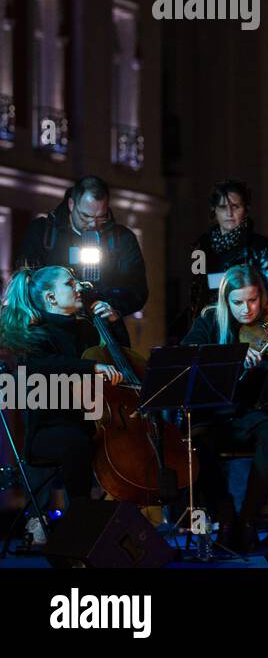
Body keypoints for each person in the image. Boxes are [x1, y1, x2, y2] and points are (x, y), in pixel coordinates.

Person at [181, 265, 268, 553]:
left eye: (253, 300)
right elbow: (187, 357)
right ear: (226, 301)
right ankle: (225, 518)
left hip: (254, 413)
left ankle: (248, 519)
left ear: (262, 297)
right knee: (195, 446)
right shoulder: (209, 321)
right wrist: (233, 357)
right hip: (214, 415)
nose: (247, 309)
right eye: (238, 302)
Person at [0, 267, 125, 500]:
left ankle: (115, 510)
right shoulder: (35, 333)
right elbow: (44, 366)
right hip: (49, 430)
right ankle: (81, 510)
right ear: (51, 297)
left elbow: (120, 359)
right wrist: (91, 367)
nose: (79, 287)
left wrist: (114, 322)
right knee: (76, 443)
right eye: (69, 283)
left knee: (113, 443)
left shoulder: (86, 329)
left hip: (91, 423)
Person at [17, 176, 148, 321]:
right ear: (71, 204)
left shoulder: (122, 239)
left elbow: (137, 291)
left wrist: (113, 307)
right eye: (86, 216)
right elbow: (26, 283)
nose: (93, 224)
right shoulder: (42, 232)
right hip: (51, 327)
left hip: (101, 326)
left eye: (101, 217)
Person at [189, 180, 268, 322]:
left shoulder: (265, 249)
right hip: (211, 326)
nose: (229, 213)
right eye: (222, 207)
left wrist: (250, 319)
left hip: (249, 326)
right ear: (214, 210)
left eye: (235, 207)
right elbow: (196, 293)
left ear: (246, 209)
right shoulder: (200, 248)